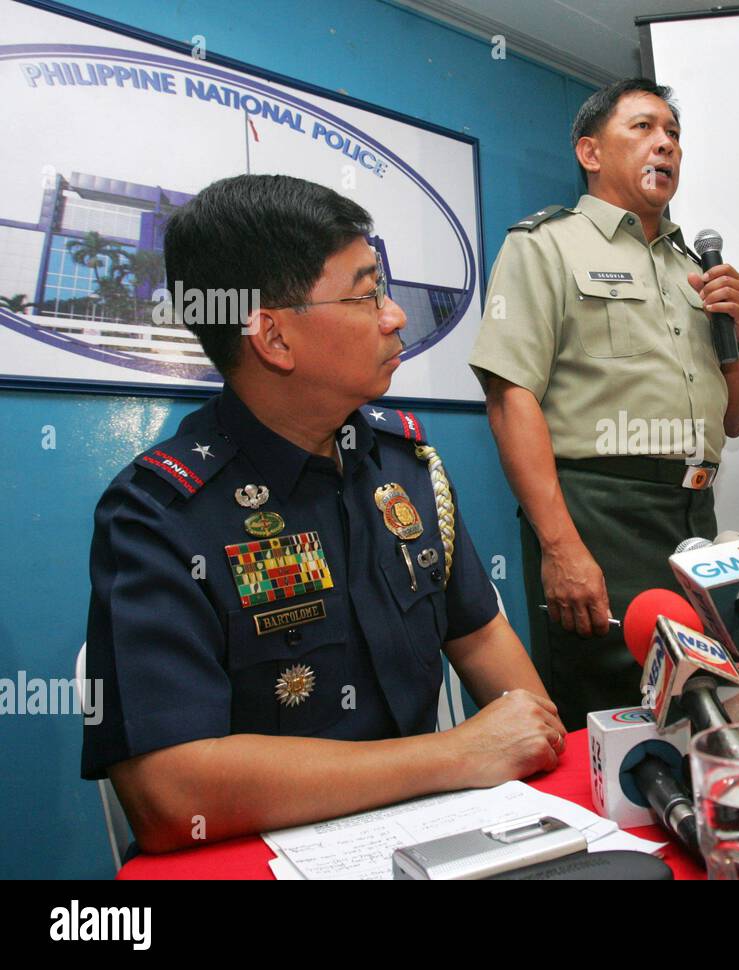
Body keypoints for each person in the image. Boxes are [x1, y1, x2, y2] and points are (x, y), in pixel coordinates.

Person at [81, 175, 565, 854]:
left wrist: (541, 749)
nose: (394, 316)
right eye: (367, 294)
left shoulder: (407, 466)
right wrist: (457, 755)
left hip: (435, 845)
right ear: (274, 338)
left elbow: (481, 636)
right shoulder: (159, 514)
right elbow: (169, 793)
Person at [469, 79, 739, 730]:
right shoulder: (545, 244)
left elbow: (736, 417)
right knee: (612, 712)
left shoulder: (696, 267)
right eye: (644, 128)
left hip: (692, 512)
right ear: (591, 153)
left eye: (674, 134)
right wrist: (561, 547)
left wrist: (735, 333)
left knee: (699, 708)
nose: (665, 144)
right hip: (599, 512)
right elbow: (509, 394)